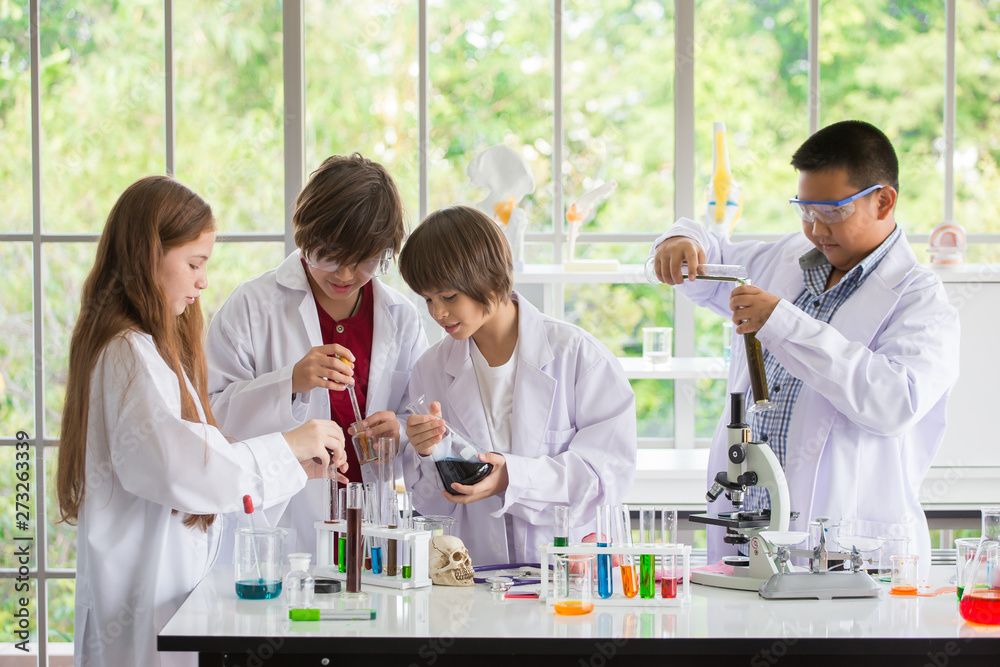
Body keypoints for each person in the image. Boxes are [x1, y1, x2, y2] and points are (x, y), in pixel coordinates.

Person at [56, 176, 347, 667]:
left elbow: (202, 479)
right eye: (194, 264)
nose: (202, 281)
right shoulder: (128, 352)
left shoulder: (149, 351)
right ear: (149, 256)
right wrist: (290, 443)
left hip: (162, 599)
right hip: (142, 609)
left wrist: (295, 466)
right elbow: (180, 470)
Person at [648, 120, 960, 570]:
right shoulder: (788, 258)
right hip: (747, 534)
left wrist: (783, 324)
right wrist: (681, 240)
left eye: (831, 212)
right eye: (805, 210)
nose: (815, 229)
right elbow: (708, 257)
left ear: (883, 200)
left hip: (848, 551)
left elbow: (894, 403)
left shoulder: (920, 299)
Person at [206, 153, 428, 556]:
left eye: (364, 261)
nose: (344, 275)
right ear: (302, 237)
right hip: (283, 525)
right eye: (328, 255)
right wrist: (289, 382)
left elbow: (419, 417)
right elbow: (211, 416)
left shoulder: (402, 317)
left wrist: (398, 431)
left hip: (373, 528)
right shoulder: (253, 306)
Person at [399, 205, 636, 566]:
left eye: (449, 297)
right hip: (475, 577)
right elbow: (430, 506)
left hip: (568, 572)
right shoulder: (430, 369)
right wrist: (425, 453)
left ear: (492, 279)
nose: (437, 313)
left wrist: (513, 477)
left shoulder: (579, 357)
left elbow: (607, 478)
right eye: (427, 299)